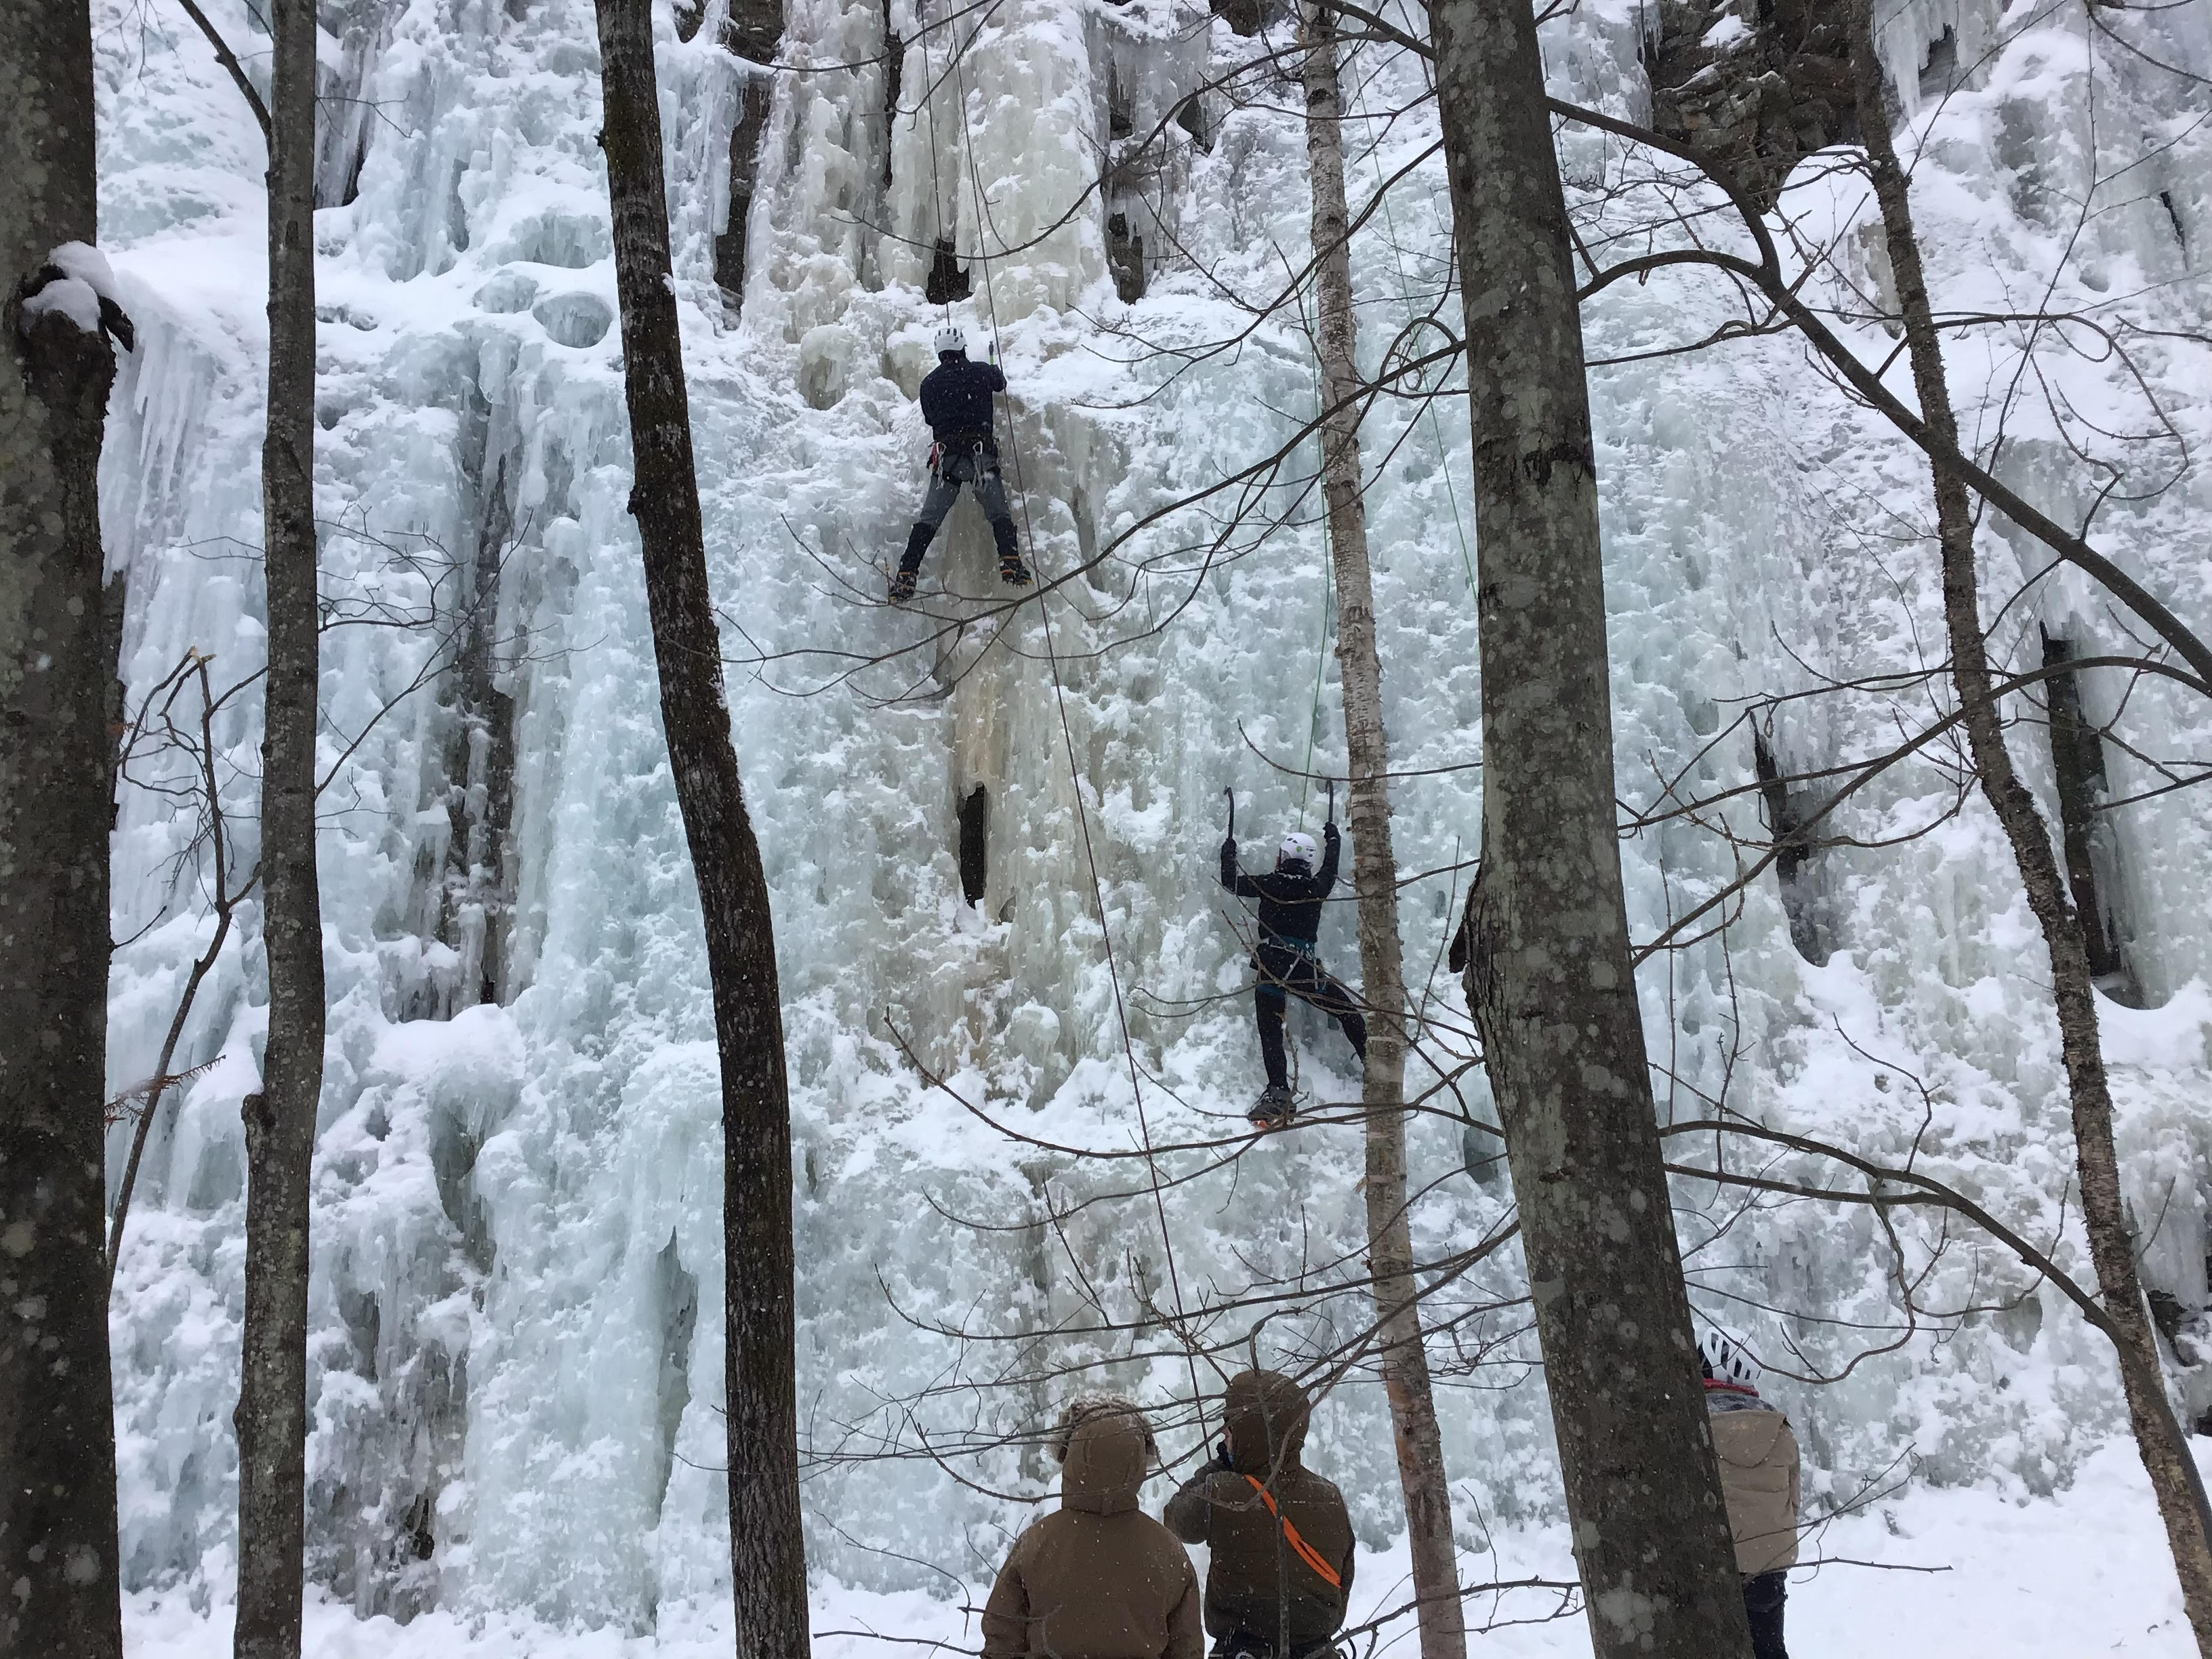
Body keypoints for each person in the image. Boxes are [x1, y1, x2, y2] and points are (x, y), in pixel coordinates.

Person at [981, 1395, 1204, 1659]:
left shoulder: (1036, 1544)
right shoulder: (1168, 1552)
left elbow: (1001, 1641)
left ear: (1071, 1455)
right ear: (1139, 1461)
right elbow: (1186, 1649)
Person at [1162, 1370, 1354, 1659]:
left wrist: (1219, 1465)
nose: (1224, 1432)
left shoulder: (1223, 1492)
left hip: (1241, 1650)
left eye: (1230, 1424)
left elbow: (1176, 1520)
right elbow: (1343, 1586)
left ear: (1250, 1430)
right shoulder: (1330, 1497)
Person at [1218, 809, 1366, 1128]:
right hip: (1304, 968)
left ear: (1281, 857)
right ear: (1308, 863)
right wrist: (1334, 838)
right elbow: (1331, 868)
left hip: (1272, 967)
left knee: (1270, 1027)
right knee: (1346, 1011)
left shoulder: (1268, 883)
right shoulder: (1317, 887)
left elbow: (1230, 882)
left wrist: (1228, 852)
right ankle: (1375, 1066)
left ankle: (1279, 1093)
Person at [890, 323, 1032, 601]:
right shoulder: (981, 370)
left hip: (948, 462)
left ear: (940, 353)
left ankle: (907, 574)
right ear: (962, 348)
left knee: (929, 520)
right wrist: (991, 371)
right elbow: (1000, 384)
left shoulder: (929, 383)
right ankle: (1010, 561)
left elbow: (931, 418)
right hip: (981, 458)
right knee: (998, 514)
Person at [1701, 1327, 1800, 1659]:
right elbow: (1793, 1502)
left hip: (1709, 1565)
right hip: (1768, 1565)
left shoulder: (1691, 1425)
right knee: (1768, 1650)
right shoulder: (1779, 1430)